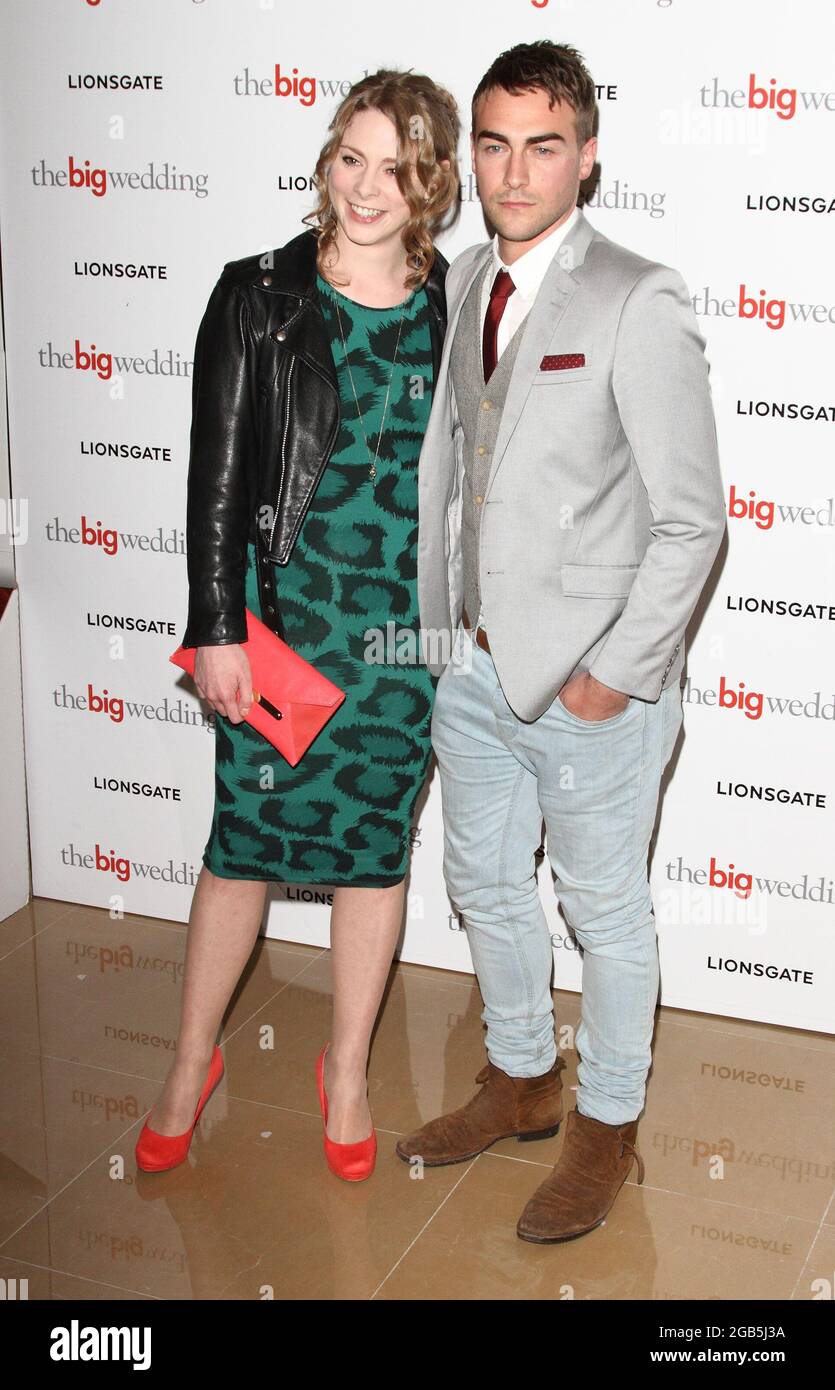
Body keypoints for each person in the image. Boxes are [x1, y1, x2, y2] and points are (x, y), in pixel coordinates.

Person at [398, 41, 726, 1241]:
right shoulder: (460, 281)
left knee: (604, 909)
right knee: (481, 880)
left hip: (592, 685)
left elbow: (693, 518)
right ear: (473, 156)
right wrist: (443, 648)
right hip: (474, 665)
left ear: (586, 156)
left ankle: (605, 1122)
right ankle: (527, 1077)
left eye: (543, 145)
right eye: (493, 144)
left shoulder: (637, 295)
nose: (515, 169)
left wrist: (613, 678)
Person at [135, 70, 460, 1183]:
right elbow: (215, 481)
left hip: (399, 644)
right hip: (279, 628)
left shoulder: (448, 303)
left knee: (374, 861)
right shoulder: (258, 293)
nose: (368, 188)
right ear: (326, 160)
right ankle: (189, 1063)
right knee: (243, 852)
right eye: (351, 158)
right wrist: (216, 625)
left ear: (433, 187)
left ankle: (350, 1071)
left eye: (398, 169)